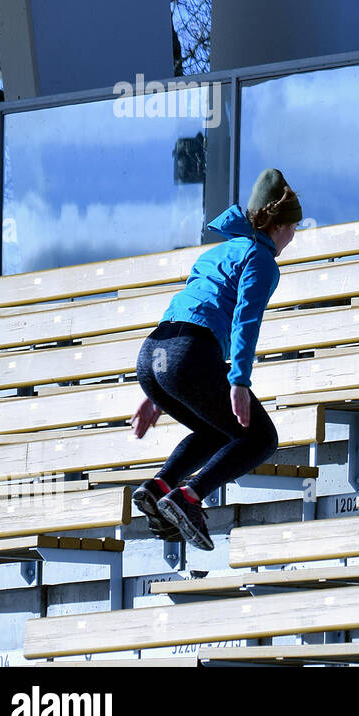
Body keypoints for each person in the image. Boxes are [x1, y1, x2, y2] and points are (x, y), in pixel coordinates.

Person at [127, 168, 302, 550]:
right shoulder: (260, 258)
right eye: (293, 226)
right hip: (188, 353)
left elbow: (183, 307)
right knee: (260, 438)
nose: (293, 235)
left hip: (153, 353)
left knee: (216, 432)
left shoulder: (217, 252)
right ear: (277, 225)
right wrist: (239, 381)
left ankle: (159, 488)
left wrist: (155, 388)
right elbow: (246, 320)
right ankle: (190, 496)